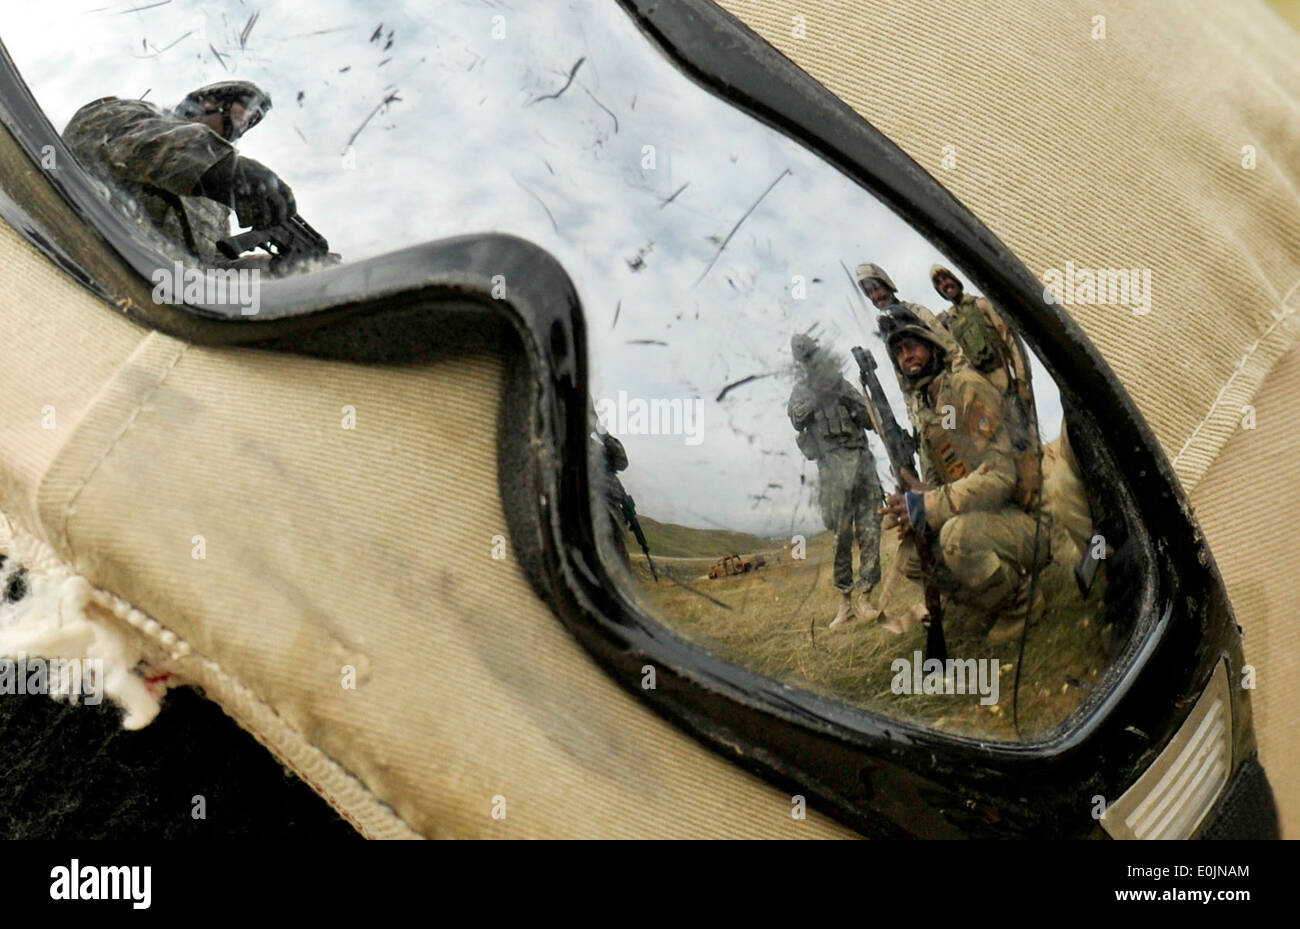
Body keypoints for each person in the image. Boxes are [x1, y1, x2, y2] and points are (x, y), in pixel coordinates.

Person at [878, 323, 1045, 643]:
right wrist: (913, 507)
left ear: (933, 348)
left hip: (1026, 521)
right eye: (898, 352)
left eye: (912, 345)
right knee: (915, 559)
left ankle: (1023, 603)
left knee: (956, 538)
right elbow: (937, 483)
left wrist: (929, 505)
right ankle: (990, 598)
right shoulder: (929, 411)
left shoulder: (966, 387)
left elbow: (1002, 476)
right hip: (983, 518)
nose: (906, 355)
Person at [62, 81, 295, 266]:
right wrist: (224, 169)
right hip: (88, 260)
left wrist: (283, 271)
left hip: (168, 301)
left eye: (250, 123)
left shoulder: (216, 204)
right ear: (209, 101)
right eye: (243, 113)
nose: (243, 127)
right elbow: (109, 134)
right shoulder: (127, 113)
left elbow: (210, 272)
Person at [787, 333, 884, 628]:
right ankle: (845, 603)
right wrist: (820, 394)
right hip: (832, 468)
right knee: (841, 536)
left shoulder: (842, 384)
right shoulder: (801, 390)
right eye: (804, 358)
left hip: (861, 461)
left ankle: (865, 595)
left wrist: (846, 397)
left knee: (870, 528)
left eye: (812, 355)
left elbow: (870, 419)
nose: (810, 361)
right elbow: (796, 418)